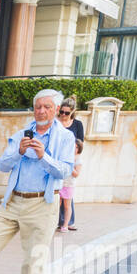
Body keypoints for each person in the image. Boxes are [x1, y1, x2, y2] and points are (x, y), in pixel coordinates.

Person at [0, 89, 76, 274]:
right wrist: (19, 152)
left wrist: (44, 156)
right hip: (13, 202)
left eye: (47, 107)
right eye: (38, 107)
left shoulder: (66, 138)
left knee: (34, 263)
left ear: (57, 110)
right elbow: (2, 165)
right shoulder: (20, 135)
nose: (41, 111)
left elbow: (65, 171)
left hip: (43, 205)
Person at [56, 96, 83, 230]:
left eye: (67, 113)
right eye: (62, 112)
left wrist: (74, 157)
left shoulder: (77, 124)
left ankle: (68, 222)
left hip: (70, 160)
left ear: (72, 112)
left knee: (68, 195)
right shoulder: (55, 122)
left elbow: (80, 143)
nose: (63, 115)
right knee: (57, 194)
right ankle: (56, 221)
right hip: (57, 160)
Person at [56, 140, 83, 233]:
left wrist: (69, 166)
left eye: (76, 147)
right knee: (56, 205)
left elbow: (76, 174)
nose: (74, 149)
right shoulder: (65, 156)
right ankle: (54, 223)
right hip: (60, 184)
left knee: (67, 206)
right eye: (73, 147)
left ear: (79, 148)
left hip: (69, 185)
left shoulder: (78, 160)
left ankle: (65, 225)